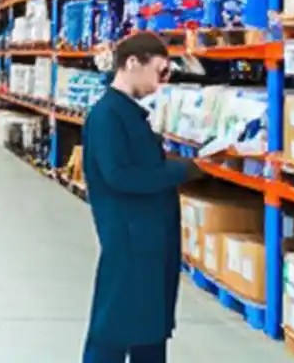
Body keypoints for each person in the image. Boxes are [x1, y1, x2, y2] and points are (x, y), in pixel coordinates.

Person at [81, 32, 202, 363]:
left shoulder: (129, 113)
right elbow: (121, 176)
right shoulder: (107, 115)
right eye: (160, 71)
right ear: (133, 63)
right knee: (112, 331)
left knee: (150, 330)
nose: (162, 82)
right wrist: (182, 171)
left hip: (148, 239)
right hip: (129, 242)